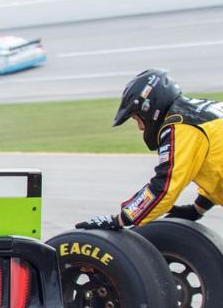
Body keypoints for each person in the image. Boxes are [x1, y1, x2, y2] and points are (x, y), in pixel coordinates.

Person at [76, 69, 223, 230]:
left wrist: (120, 219)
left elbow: (165, 187)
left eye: (136, 118)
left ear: (149, 108)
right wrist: (197, 209)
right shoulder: (204, 110)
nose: (140, 127)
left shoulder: (181, 126)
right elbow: (216, 168)